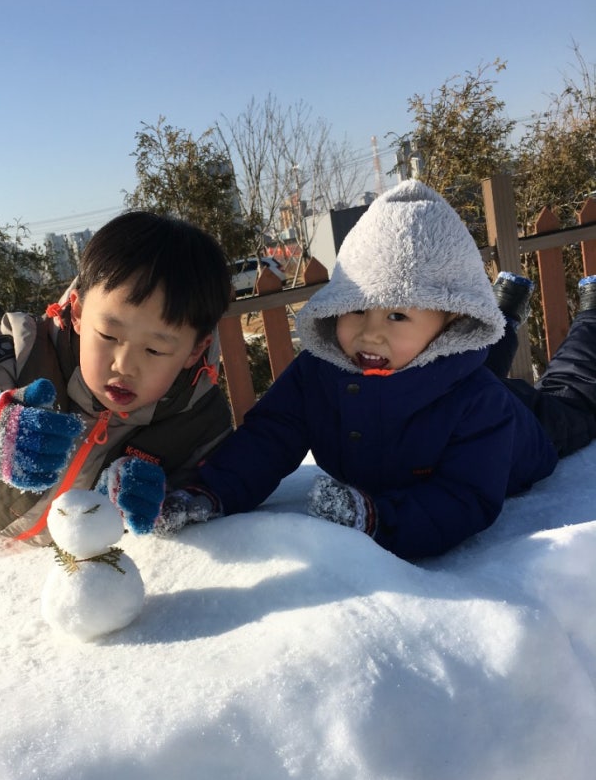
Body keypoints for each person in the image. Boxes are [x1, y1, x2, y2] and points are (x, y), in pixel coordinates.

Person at [106, 180, 596, 561]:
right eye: (357, 310)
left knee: (570, 394)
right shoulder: (320, 374)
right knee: (471, 361)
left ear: (451, 319)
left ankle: (586, 315)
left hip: (526, 431)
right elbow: (270, 436)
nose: (370, 334)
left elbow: (465, 498)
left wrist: (380, 518)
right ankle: (505, 313)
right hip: (439, 371)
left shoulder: (481, 406)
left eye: (397, 314)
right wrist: (208, 493)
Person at [0, 211, 234, 545]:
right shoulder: (26, 353)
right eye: (108, 336)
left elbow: (212, 488)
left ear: (194, 351)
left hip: (67, 550)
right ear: (77, 312)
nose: (124, 364)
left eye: (154, 350)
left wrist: (155, 500)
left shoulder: (198, 418)